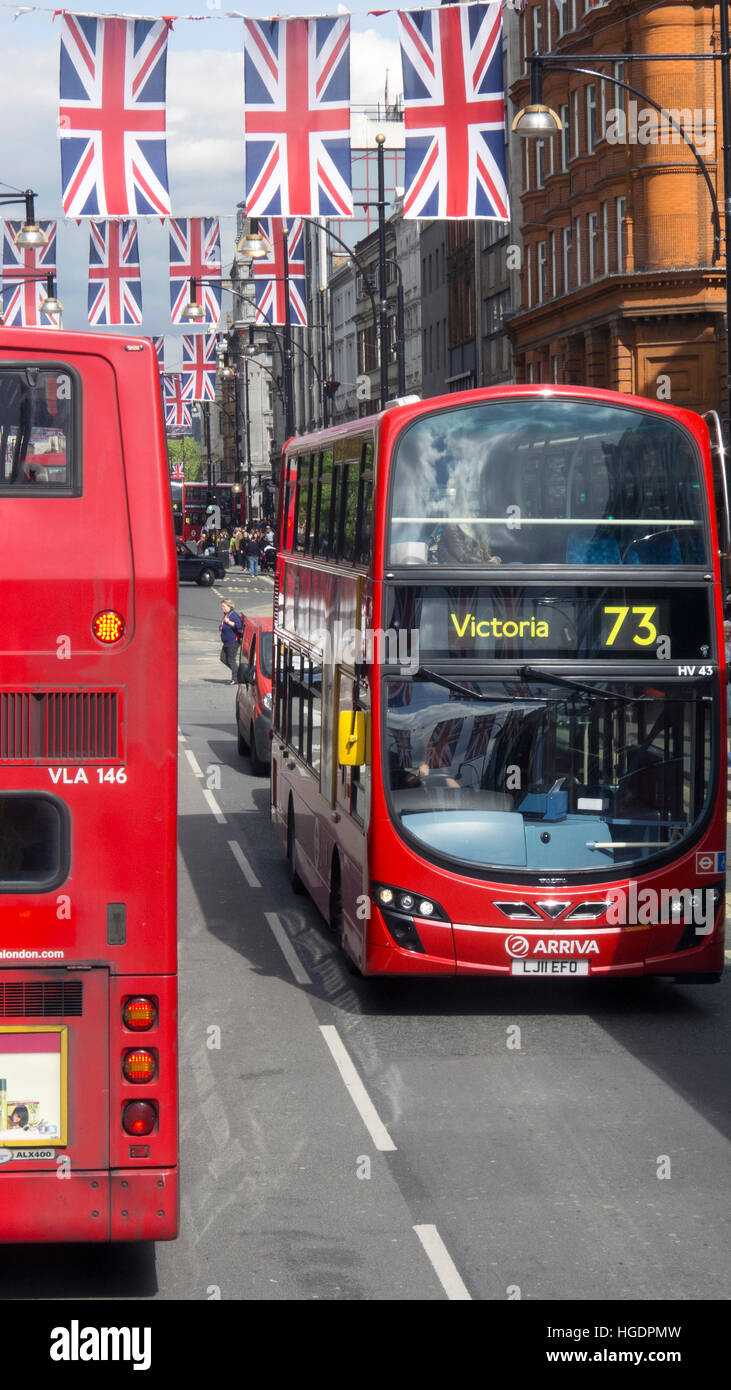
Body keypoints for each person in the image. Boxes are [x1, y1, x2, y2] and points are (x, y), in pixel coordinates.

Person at [219, 601, 243, 684]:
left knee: (231, 660)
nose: (222, 608)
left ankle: (235, 679)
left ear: (229, 606)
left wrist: (228, 622)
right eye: (222, 606)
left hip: (233, 641)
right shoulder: (227, 615)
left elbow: (239, 626)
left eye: (224, 606)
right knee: (223, 658)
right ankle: (237, 672)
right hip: (226, 642)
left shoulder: (233, 614)